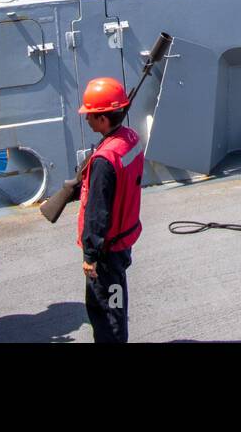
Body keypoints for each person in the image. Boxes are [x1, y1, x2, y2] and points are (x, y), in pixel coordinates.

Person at [77, 76, 144, 343]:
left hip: (105, 253)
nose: (87, 120)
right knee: (115, 304)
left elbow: (98, 212)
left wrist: (90, 255)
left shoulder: (105, 160)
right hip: (122, 241)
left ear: (104, 119)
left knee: (106, 311)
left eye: (90, 115)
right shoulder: (130, 139)